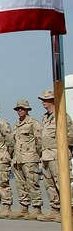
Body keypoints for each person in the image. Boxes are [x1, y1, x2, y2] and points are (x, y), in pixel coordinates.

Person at [38, 89, 73, 222]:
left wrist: (62, 149)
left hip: (58, 155)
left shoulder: (61, 115)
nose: (43, 102)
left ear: (53, 100)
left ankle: (69, 210)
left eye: (46, 100)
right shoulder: (45, 117)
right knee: (50, 185)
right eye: (43, 100)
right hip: (46, 156)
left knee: (63, 184)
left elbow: (70, 135)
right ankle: (55, 210)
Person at [11, 99, 43, 219]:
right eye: (18, 109)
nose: (20, 110)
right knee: (20, 185)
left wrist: (35, 154)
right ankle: (24, 208)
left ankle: (37, 209)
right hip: (18, 159)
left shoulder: (33, 123)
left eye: (22, 108)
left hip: (30, 158)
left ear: (27, 110)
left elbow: (39, 141)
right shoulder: (16, 124)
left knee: (32, 184)